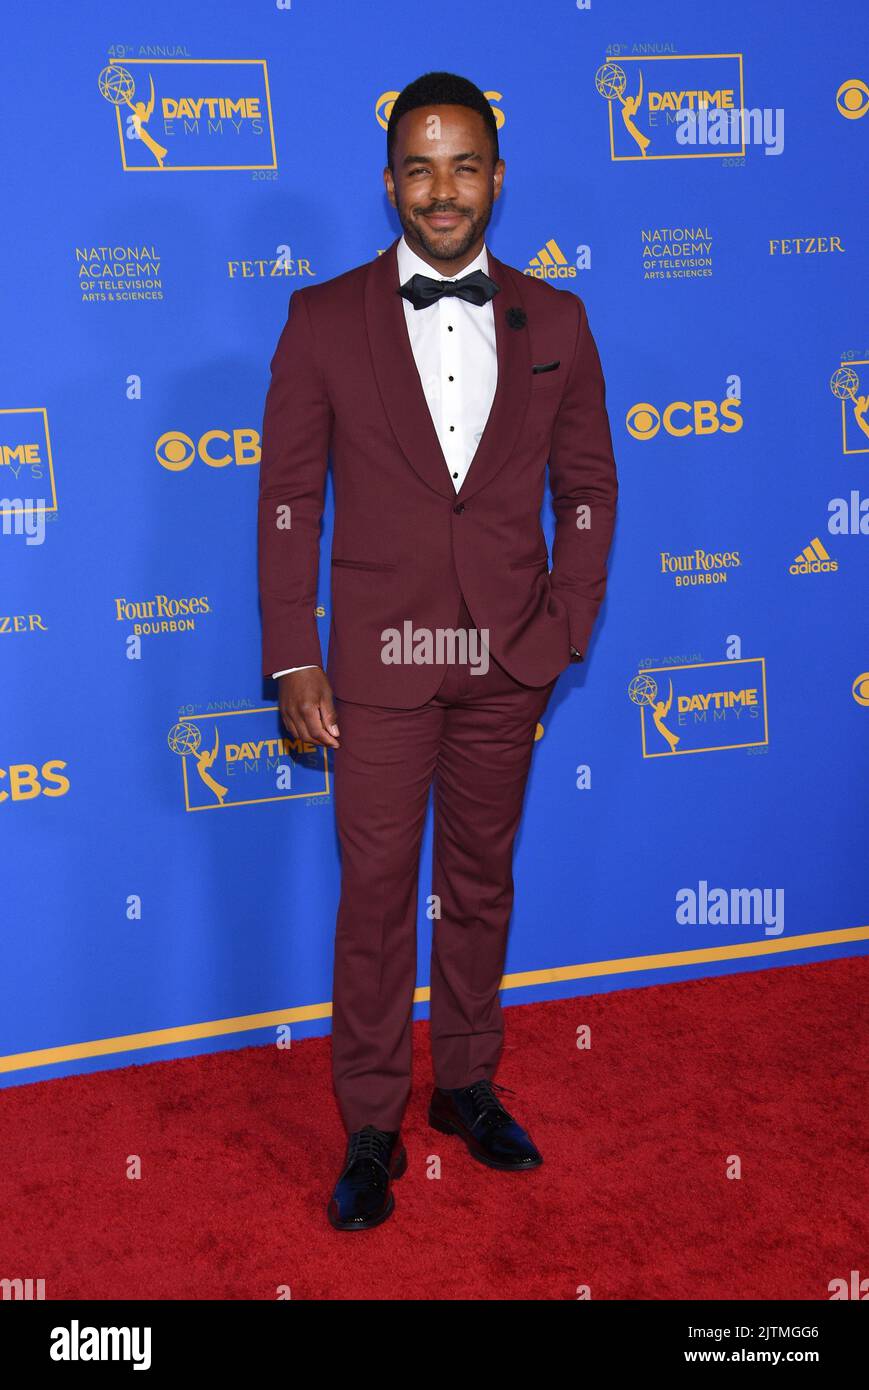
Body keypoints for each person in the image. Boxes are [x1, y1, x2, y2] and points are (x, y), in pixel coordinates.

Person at [257, 70, 618, 1231]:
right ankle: (370, 1119)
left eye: (464, 165)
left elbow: (589, 490)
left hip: (506, 656)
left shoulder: (556, 319)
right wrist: (290, 655)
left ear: (496, 179)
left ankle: (463, 1082)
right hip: (375, 660)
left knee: (478, 883)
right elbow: (286, 503)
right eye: (419, 166)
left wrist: (561, 629)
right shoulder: (321, 319)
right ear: (389, 183)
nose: (441, 189)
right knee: (373, 896)